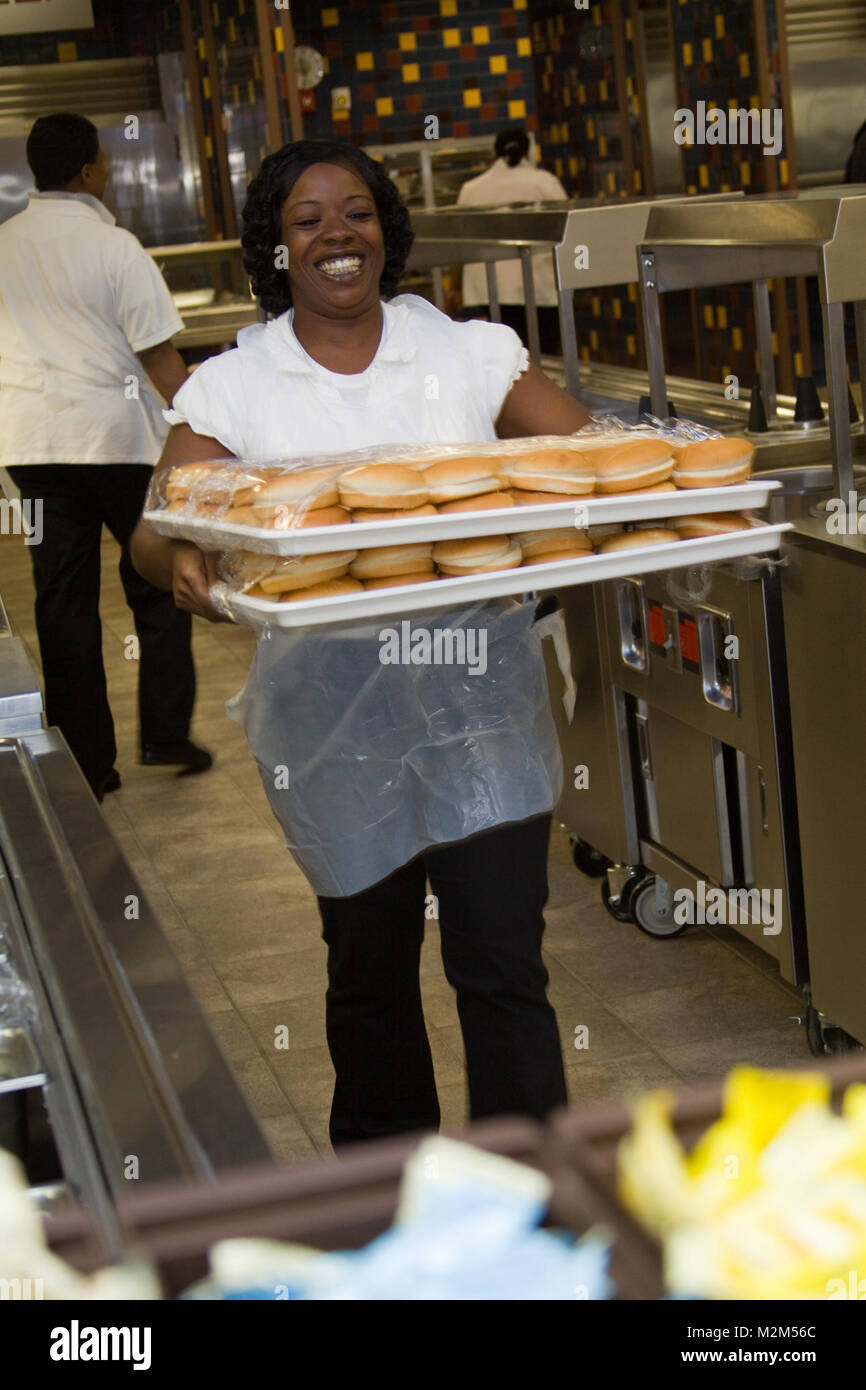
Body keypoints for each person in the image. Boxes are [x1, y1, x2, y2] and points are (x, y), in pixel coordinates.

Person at [131, 140, 593, 1147]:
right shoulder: (239, 382)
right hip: (331, 728)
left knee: (501, 963)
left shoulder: (465, 353)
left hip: (480, 713)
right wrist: (182, 559)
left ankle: (535, 1190)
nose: (336, 235)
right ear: (275, 246)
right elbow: (155, 524)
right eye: (307, 219)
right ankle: (386, 1198)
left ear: (387, 228)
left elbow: (577, 456)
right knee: (369, 972)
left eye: (357, 212)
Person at [0, 113, 212, 801]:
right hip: (119, 443)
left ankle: (88, 765)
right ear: (90, 168)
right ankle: (166, 735)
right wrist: (210, 427)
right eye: (105, 162)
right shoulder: (114, 246)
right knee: (156, 577)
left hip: (31, 447)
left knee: (61, 601)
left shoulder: (3, 244)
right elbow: (160, 359)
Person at [454, 127, 569, 356]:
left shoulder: (471, 189)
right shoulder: (546, 183)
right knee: (542, 365)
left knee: (496, 366)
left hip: (485, 292)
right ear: (527, 151)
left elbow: (457, 245)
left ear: (494, 153)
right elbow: (567, 234)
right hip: (539, 292)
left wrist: (454, 288)